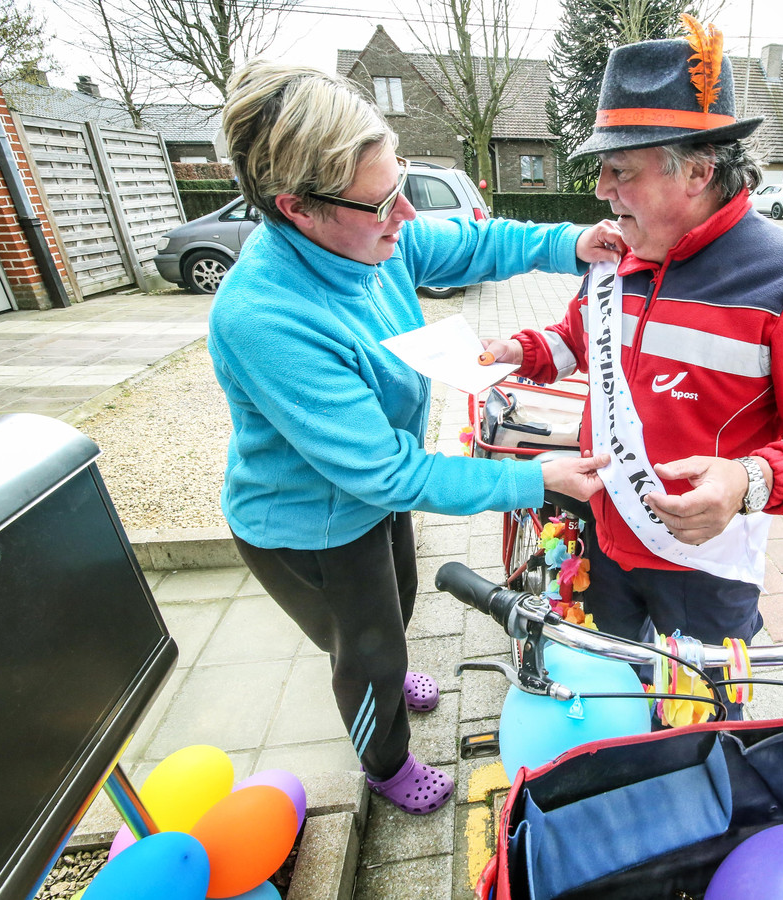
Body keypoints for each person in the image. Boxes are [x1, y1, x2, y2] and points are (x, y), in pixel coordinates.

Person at [209, 60, 620, 815]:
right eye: (380, 203)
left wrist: (572, 243)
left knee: (398, 597)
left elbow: (470, 242)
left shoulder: (369, 237)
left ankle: (393, 672)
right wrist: (535, 479)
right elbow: (390, 472)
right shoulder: (264, 316)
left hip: (367, 500)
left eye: (400, 185)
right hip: (311, 526)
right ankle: (385, 763)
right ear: (297, 207)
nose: (404, 215)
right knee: (364, 649)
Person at [483, 21, 783, 716]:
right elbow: (583, 336)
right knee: (608, 699)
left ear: (698, 171)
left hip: (705, 564)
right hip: (603, 531)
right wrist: (530, 351)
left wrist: (752, 480)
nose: (602, 191)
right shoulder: (618, 255)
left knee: (702, 721)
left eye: (621, 170)